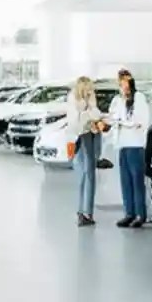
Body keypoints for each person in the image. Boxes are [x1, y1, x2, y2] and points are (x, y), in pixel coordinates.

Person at [109, 68, 151, 228]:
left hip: (135, 144)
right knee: (125, 181)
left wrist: (124, 122)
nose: (123, 85)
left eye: (125, 81)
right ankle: (129, 213)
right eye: (120, 82)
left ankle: (141, 214)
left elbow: (139, 121)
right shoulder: (118, 100)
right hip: (123, 144)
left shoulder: (139, 98)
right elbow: (114, 117)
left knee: (137, 181)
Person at [65, 76, 104, 227]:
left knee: (84, 175)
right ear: (83, 87)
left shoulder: (84, 98)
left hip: (81, 136)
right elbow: (83, 119)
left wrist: (90, 114)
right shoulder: (76, 100)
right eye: (89, 88)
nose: (91, 91)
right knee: (88, 176)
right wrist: (89, 114)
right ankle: (86, 213)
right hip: (84, 137)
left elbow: (95, 113)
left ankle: (82, 211)